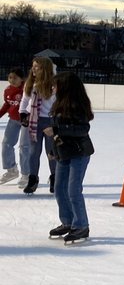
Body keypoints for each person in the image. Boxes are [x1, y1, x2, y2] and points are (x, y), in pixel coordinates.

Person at [45, 72, 95, 244]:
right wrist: (53, 150)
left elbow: (82, 129)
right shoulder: (58, 104)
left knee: (73, 190)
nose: (52, 88)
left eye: (55, 85)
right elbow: (56, 130)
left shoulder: (77, 106)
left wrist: (59, 131)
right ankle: (68, 222)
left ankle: (81, 225)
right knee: (59, 189)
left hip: (79, 153)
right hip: (63, 152)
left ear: (65, 87)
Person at [18, 56, 57, 194]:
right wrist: (23, 114)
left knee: (51, 152)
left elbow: (56, 104)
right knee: (33, 152)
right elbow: (25, 100)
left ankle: (54, 179)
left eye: (37, 67)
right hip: (33, 120)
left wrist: (55, 123)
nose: (33, 69)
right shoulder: (31, 83)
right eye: (33, 66)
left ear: (45, 69)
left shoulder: (53, 84)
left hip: (49, 121)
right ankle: (33, 179)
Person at [0, 68, 26, 184]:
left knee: (24, 146)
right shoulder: (8, 90)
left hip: (27, 121)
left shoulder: (27, 89)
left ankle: (26, 174)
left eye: (15, 77)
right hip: (13, 120)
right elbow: (7, 104)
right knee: (6, 144)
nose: (12, 80)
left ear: (22, 79)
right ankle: (11, 170)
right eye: (10, 77)